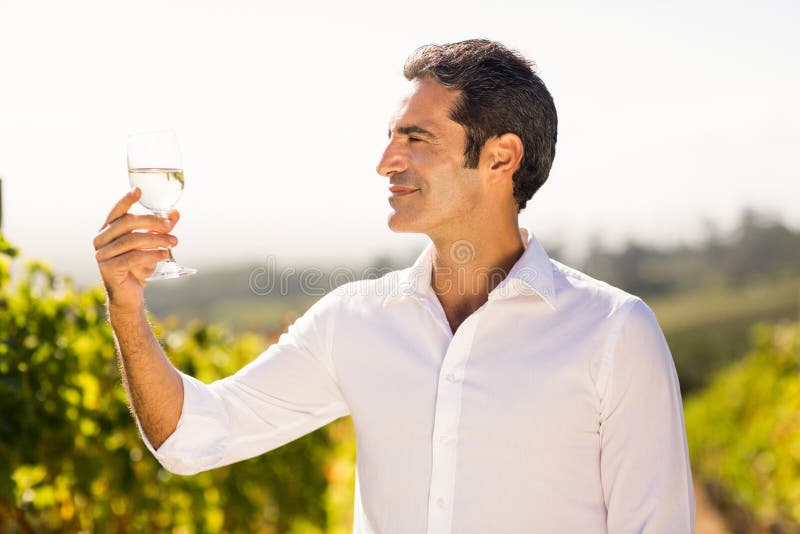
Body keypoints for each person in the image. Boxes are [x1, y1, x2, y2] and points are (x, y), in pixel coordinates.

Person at [94, 39, 695, 533]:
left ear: (500, 158)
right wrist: (126, 309)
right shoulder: (352, 321)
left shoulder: (614, 332)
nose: (386, 161)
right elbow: (191, 437)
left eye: (416, 138)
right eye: (392, 136)